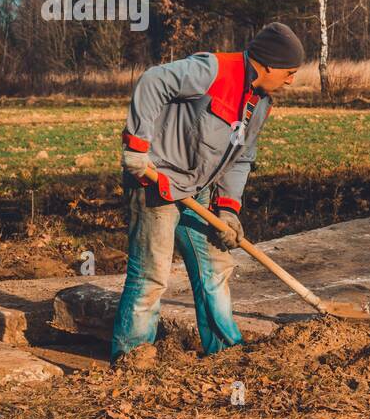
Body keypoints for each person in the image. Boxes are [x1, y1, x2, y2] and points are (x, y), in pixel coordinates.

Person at [110, 22, 304, 369]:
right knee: (151, 275)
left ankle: (226, 353)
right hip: (156, 181)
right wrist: (137, 145)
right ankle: (131, 361)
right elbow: (153, 80)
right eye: (289, 72)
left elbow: (241, 156)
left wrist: (228, 208)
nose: (291, 79)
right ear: (270, 65)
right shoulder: (213, 70)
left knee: (214, 267)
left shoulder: (260, 103)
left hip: (196, 191)